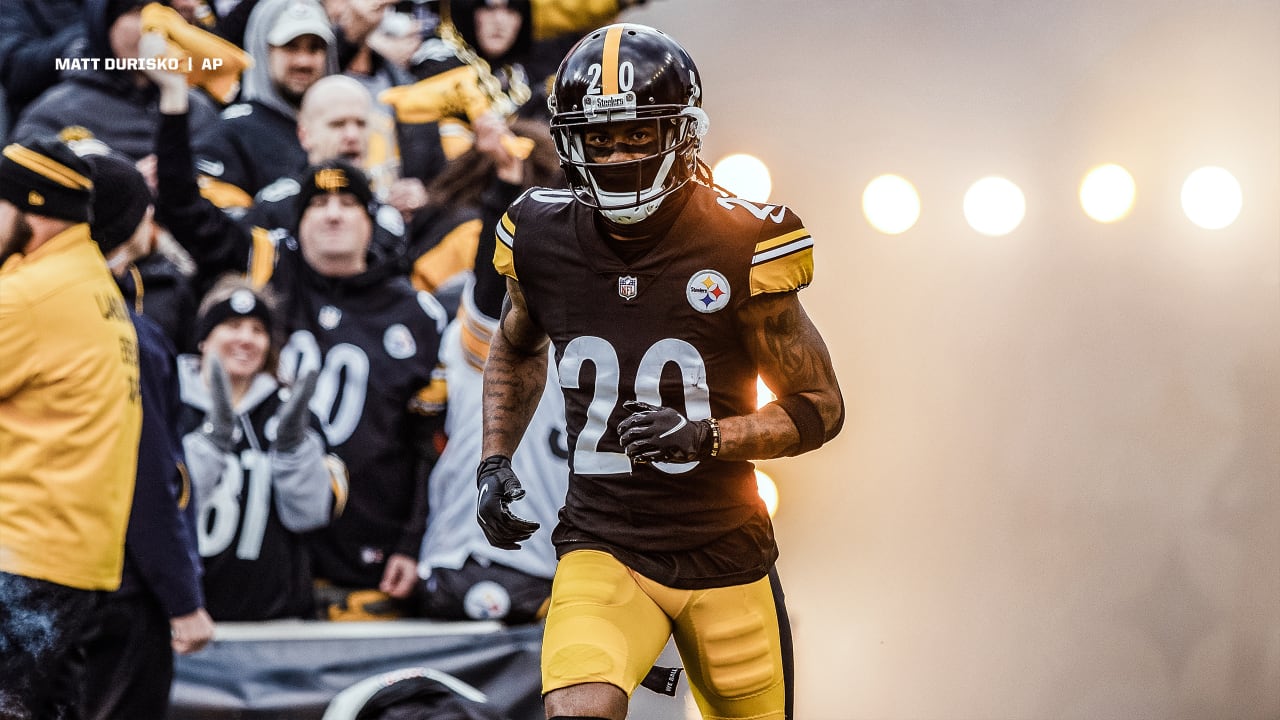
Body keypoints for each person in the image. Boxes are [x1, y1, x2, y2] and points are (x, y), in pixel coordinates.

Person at [477, 24, 844, 720]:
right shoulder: (539, 236)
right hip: (603, 545)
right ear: (568, 141)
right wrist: (494, 458)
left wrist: (706, 437)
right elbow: (517, 345)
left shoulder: (744, 241)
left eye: (638, 135)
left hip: (726, 553)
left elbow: (819, 406)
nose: (617, 155)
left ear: (681, 133)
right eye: (600, 138)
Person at [149, 55, 448, 617]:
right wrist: (171, 108)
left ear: (371, 217)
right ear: (297, 217)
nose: (332, 216)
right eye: (318, 204)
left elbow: (427, 447)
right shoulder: (267, 268)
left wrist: (413, 543)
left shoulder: (417, 313)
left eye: (348, 204)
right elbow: (185, 209)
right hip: (255, 550)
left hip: (368, 557)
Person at [0, 137, 143, 718]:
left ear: (31, 212)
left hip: (21, 564)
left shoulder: (28, 298)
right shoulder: (89, 284)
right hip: (77, 568)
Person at [75, 149, 215, 720]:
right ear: (132, 220)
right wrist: (182, 599)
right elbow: (150, 473)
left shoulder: (32, 309)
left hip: (45, 577)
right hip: (122, 590)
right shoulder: (125, 334)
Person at [416, 112, 568, 624]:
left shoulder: (605, 335)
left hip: (561, 576)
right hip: (463, 560)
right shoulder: (490, 331)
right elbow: (490, 291)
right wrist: (507, 185)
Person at [178, 275, 349, 621]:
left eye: (258, 329)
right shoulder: (169, 402)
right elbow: (162, 508)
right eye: (232, 325)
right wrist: (213, 440)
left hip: (274, 614)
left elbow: (311, 515)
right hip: (184, 616)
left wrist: (292, 448)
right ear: (203, 338)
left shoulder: (290, 410)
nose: (246, 338)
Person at [10, 0, 222, 161]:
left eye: (164, 15)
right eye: (139, 12)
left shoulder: (198, 109)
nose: (153, 28)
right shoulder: (56, 113)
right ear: (105, 23)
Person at [191, 0, 339, 209]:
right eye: (290, 47)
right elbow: (216, 226)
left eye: (314, 49)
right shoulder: (231, 133)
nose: (303, 61)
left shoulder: (348, 127)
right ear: (262, 49)